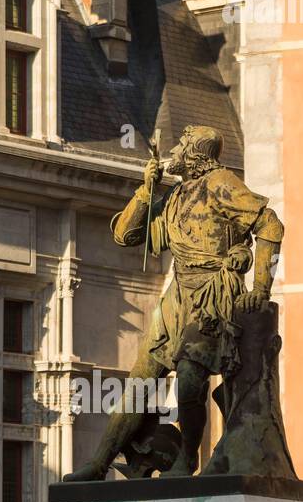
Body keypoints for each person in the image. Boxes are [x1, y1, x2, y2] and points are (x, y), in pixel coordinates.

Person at [64, 125, 284, 481]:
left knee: (189, 378)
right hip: (177, 298)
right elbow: (125, 235)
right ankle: (100, 463)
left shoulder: (220, 183)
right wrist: (146, 188)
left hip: (213, 293)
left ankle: (186, 459)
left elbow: (270, 224)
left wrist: (261, 286)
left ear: (196, 152)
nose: (174, 149)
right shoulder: (177, 195)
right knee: (142, 378)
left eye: (181, 143)